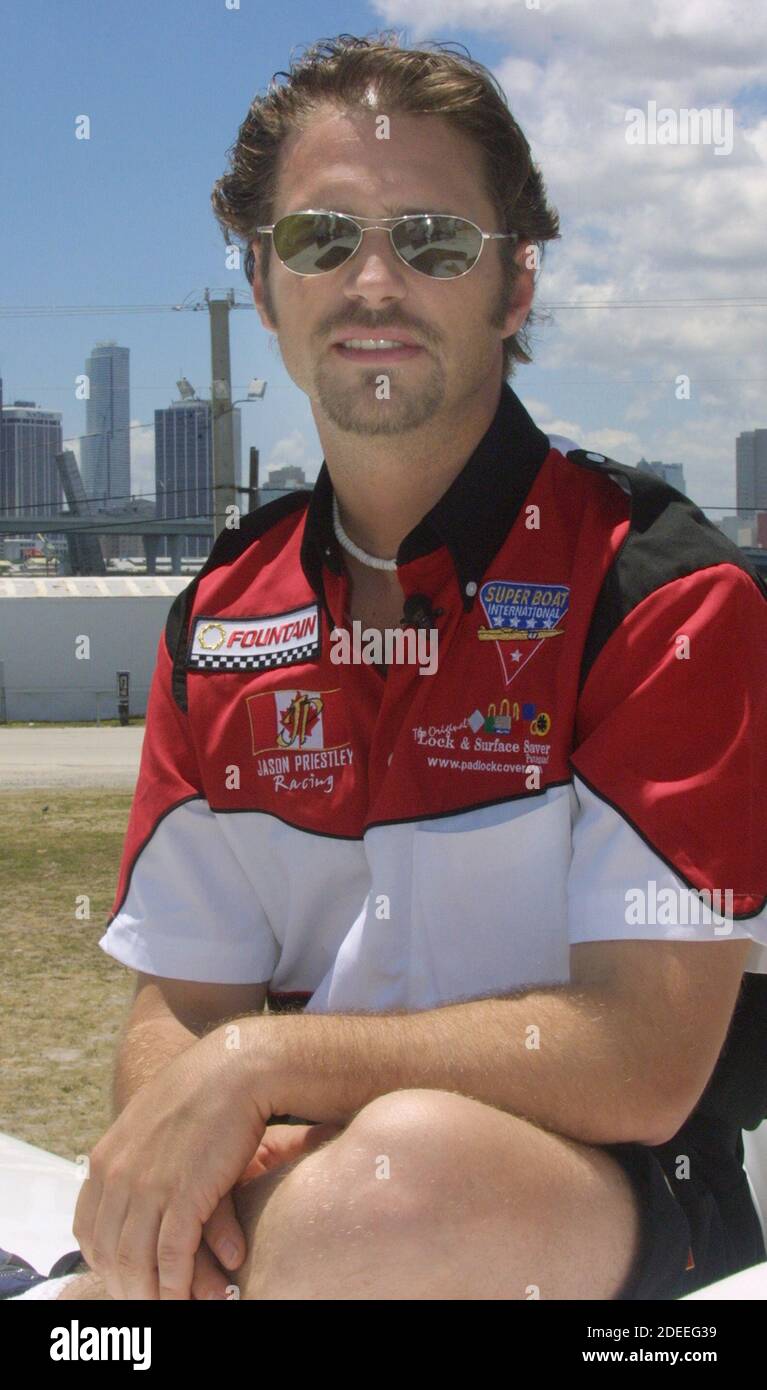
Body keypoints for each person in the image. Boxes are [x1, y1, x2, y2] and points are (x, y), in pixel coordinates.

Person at [61, 32, 767, 1302]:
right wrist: (212, 1104)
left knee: (394, 1182)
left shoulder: (658, 594)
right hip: (304, 1187)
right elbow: (178, 1012)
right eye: (321, 238)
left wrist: (260, 1071)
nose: (371, 280)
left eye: (432, 241)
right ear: (266, 288)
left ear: (513, 287)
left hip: (616, 1206)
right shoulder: (218, 618)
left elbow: (642, 1055)